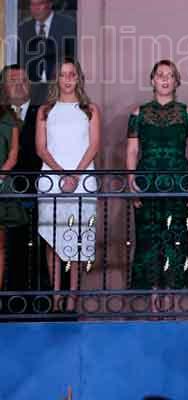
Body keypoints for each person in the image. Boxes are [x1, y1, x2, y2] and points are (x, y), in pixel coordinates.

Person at [126, 60, 188, 300]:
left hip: (178, 181)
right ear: (152, 80)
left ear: (176, 81)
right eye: (160, 75)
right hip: (147, 181)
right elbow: (131, 150)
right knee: (148, 240)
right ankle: (153, 300)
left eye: (170, 76)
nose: (165, 79)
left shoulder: (187, 112)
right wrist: (131, 182)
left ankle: (171, 299)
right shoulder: (138, 113)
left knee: (176, 239)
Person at [36, 58, 100, 311]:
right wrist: (63, 174)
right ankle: (55, 295)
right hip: (52, 180)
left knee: (77, 239)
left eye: (72, 74)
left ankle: (73, 295)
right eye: (63, 75)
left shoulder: (90, 109)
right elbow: (41, 148)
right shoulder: (45, 110)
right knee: (52, 239)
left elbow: (94, 145)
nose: (68, 79)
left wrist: (75, 175)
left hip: (83, 181)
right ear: (57, 79)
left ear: (78, 78)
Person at [1, 64, 43, 292]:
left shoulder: (44, 112)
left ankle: (40, 303)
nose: (20, 84)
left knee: (38, 253)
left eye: (24, 80)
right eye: (13, 80)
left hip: (38, 196)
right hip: (5, 196)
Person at [17, 0, 77, 104]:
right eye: (32, 4)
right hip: (31, 94)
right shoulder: (23, 29)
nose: (35, 8)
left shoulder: (68, 25)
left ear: (50, 4)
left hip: (60, 91)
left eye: (40, 3)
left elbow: (73, 57)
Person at [0, 92, 22, 290]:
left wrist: (0, 175)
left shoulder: (9, 119)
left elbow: (13, 154)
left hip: (1, 184)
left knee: (0, 247)